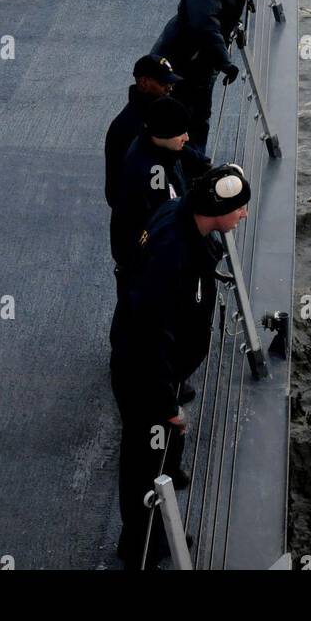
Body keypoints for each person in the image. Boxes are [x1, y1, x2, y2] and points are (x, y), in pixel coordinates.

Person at [109, 162, 251, 569]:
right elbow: (147, 335)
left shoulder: (183, 218)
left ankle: (163, 491)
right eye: (239, 207)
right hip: (147, 377)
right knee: (141, 464)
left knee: (158, 452)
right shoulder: (173, 252)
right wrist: (166, 405)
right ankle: (140, 545)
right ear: (216, 208)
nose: (243, 215)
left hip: (163, 370)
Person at [151, 0, 269, 153]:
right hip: (183, 57)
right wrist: (225, 62)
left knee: (199, 113)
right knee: (180, 111)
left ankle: (195, 160)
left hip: (203, 58)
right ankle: (178, 163)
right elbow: (205, 26)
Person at [109, 97, 190, 274]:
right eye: (181, 132)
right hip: (146, 262)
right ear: (164, 133)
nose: (186, 137)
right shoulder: (153, 170)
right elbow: (163, 213)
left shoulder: (154, 148)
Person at [104, 55, 182, 211]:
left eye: (170, 82)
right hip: (142, 217)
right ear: (144, 83)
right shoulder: (130, 126)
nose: (170, 87)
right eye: (163, 82)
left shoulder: (156, 115)